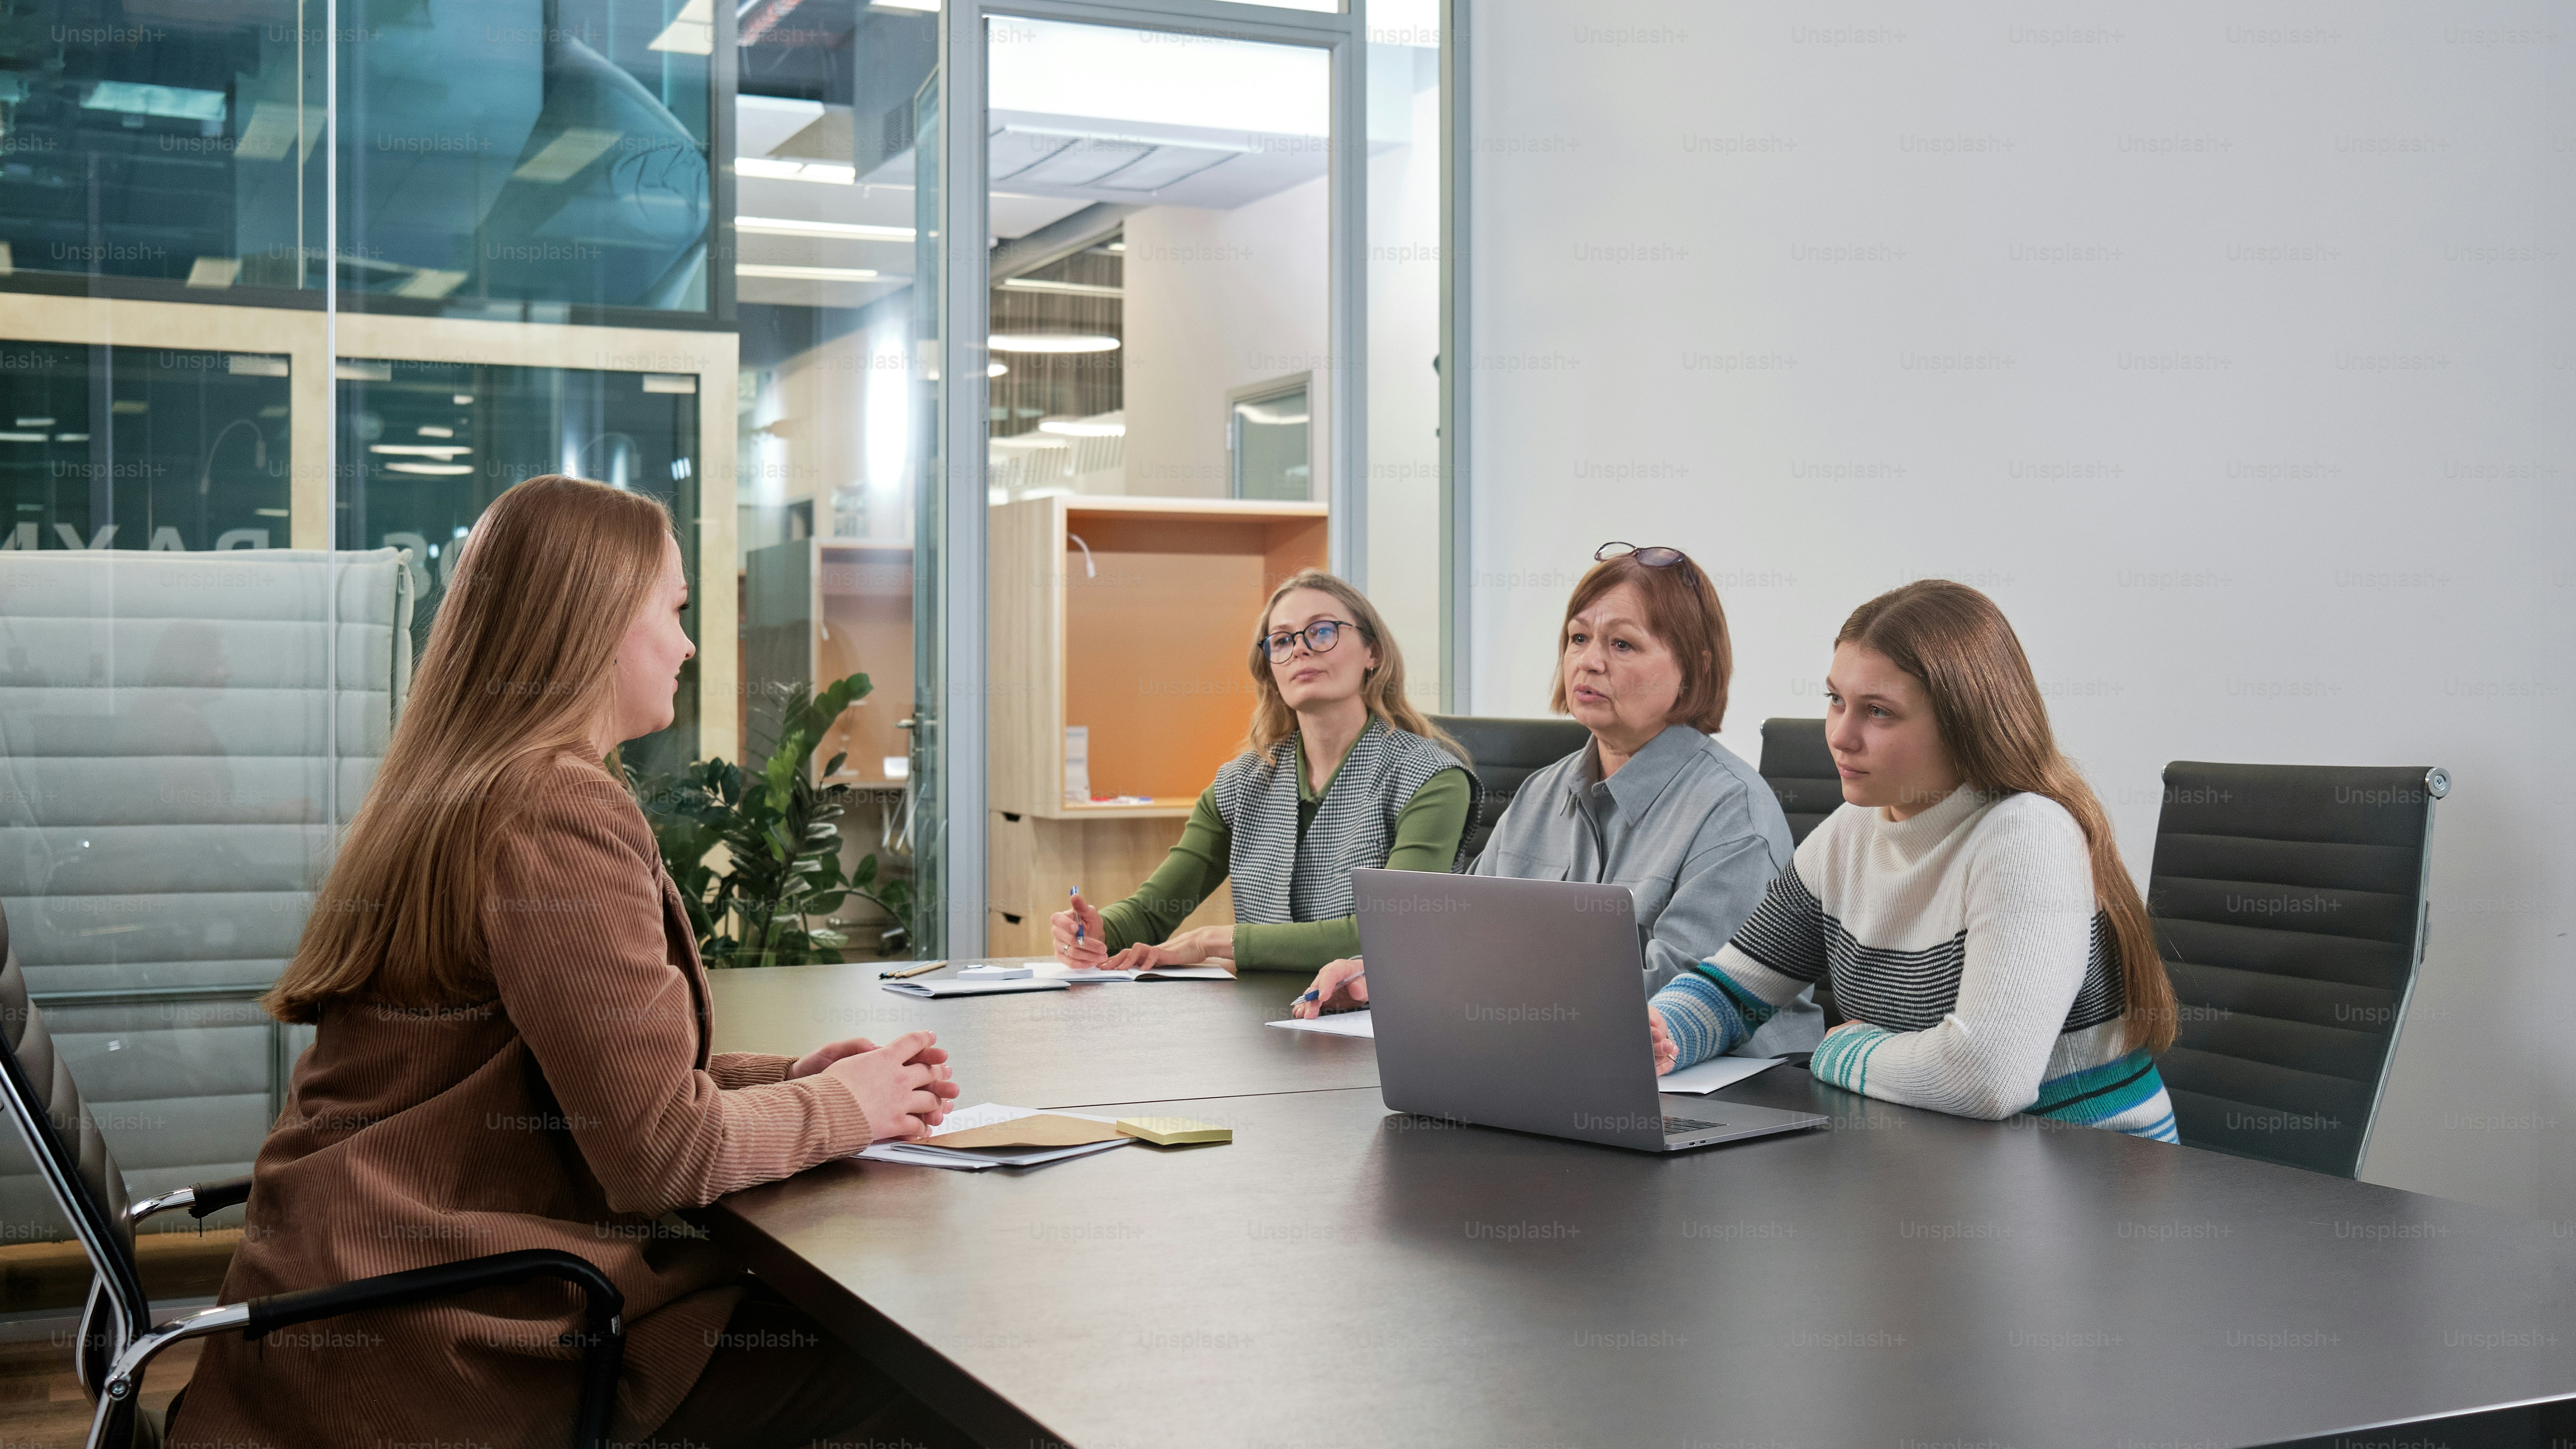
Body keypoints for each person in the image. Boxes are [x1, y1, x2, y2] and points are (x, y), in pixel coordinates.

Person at [171, 476, 967, 1449]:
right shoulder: (557, 808)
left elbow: (558, 1076)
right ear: (592, 621)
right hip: (452, 1350)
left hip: (347, 1314)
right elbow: (659, 1155)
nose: (687, 645)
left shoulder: (464, 786)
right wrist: (849, 1110)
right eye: (672, 612)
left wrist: (788, 1080)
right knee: (919, 1367)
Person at [1645, 580, 2180, 1139]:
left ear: (1963, 722)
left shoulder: (2028, 836)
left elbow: (1987, 1076)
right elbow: (1733, 990)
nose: (1840, 736)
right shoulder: (1848, 834)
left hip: (2093, 1180)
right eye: (1835, 700)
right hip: (1949, 1162)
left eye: (1878, 711)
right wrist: (1662, 1030)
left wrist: (1841, 1048)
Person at [1294, 543, 1819, 1057]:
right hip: (1550, 1062)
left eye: (1622, 645)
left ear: (1695, 668)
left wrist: (1490, 995)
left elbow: (1679, 994)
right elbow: (1464, 936)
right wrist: (1382, 974)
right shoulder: (1542, 791)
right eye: (1578, 637)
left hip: (1729, 1100)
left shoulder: (1732, 811)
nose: (1588, 662)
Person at [1050, 569, 1475, 974]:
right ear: (1272, 669)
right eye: (1282, 640)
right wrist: (1096, 931)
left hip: (1377, 1022)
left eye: (1322, 631)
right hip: (1260, 1020)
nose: (1301, 649)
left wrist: (1215, 942)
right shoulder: (1241, 783)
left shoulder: (1432, 779)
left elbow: (1389, 933)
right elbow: (1154, 910)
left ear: (1373, 652)